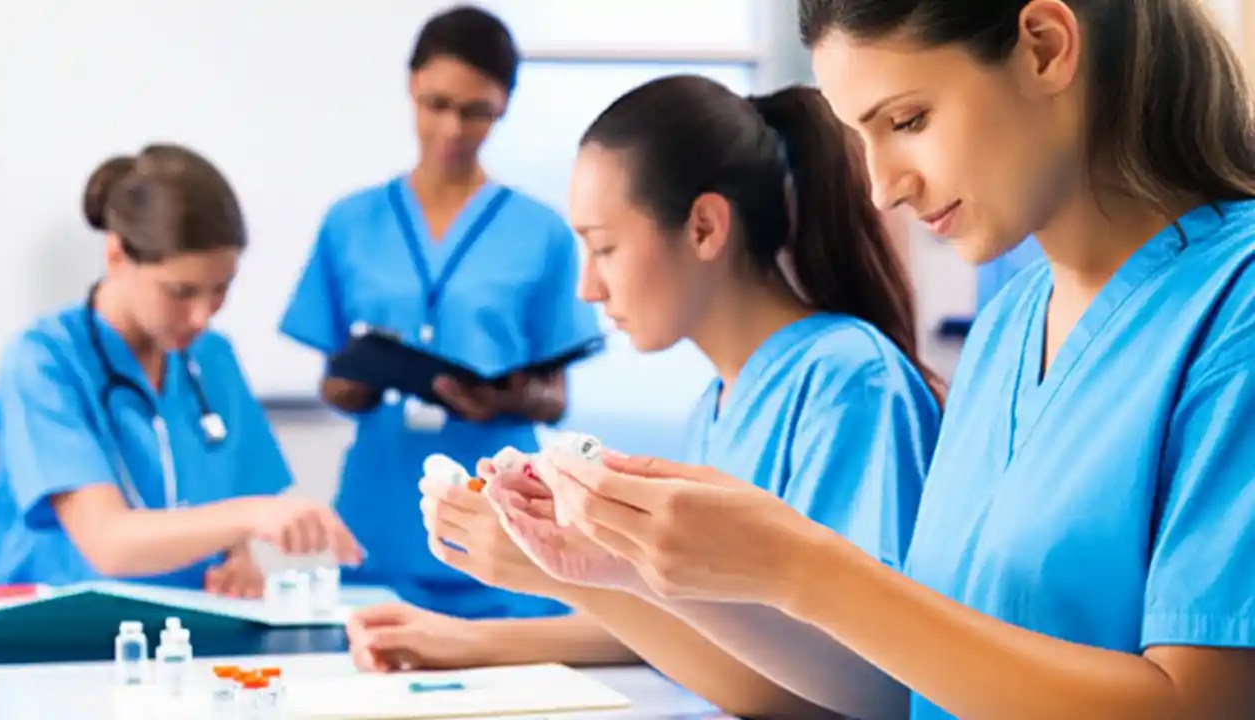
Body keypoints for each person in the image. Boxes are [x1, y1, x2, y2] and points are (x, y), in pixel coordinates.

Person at [482, 3, 1255, 720]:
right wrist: (659, 563)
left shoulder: (1234, 305)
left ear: (1044, 49)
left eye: (909, 119)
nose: (884, 190)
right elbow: (897, 691)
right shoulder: (1008, 328)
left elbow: (1200, 705)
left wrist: (803, 567)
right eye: (862, 138)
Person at [359, 74, 944, 715]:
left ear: (703, 228)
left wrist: (562, 569)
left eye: (604, 247)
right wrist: (470, 640)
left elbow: (851, 688)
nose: (587, 287)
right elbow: (691, 629)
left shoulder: (848, 383)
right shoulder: (719, 405)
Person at [279, 6, 601, 619]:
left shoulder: (543, 234)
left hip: (502, 513)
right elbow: (334, 382)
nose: (452, 128)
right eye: (436, 104)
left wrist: (503, 400)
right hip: (379, 515)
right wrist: (360, 382)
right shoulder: (350, 223)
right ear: (411, 87)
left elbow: (556, 396)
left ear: (504, 105)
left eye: (475, 111)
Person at [0, 144, 362, 594]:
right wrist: (253, 517)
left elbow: (244, 510)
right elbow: (108, 543)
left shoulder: (213, 358)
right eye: (181, 291)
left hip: (192, 635)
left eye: (219, 289)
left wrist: (248, 553)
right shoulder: (44, 361)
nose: (202, 316)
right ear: (116, 255)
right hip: (54, 647)